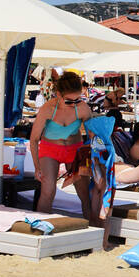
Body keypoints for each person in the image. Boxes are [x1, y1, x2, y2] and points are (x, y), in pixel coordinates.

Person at [30, 73, 94, 219]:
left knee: (84, 193)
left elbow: (92, 136)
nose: (74, 104)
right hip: (50, 150)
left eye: (78, 99)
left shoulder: (82, 108)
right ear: (58, 94)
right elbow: (34, 139)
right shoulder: (47, 109)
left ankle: (92, 229)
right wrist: (37, 167)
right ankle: (40, 227)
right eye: (69, 101)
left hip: (75, 149)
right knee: (48, 190)